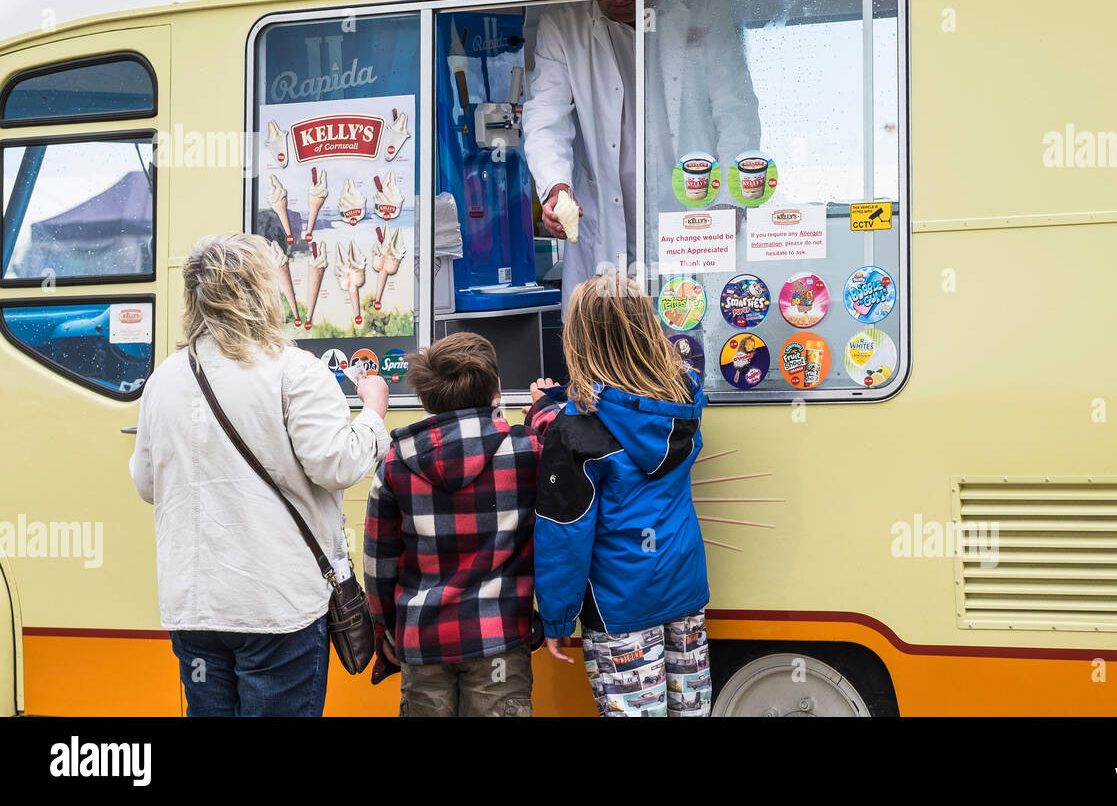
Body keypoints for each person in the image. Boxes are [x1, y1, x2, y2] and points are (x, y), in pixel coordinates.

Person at [130, 232, 391, 717]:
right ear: (259, 291)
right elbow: (337, 464)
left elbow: (147, 484)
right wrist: (373, 413)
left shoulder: (162, 378)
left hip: (195, 609)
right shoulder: (293, 370)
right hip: (276, 606)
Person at [533, 273, 711, 716]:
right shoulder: (681, 399)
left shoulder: (574, 432)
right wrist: (557, 401)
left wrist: (556, 618)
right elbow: (624, 405)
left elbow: (563, 537)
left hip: (619, 604)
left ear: (580, 340)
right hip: (683, 589)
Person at [363, 332, 563, 716]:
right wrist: (546, 408)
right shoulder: (526, 449)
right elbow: (570, 448)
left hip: (423, 643)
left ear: (425, 398)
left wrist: (387, 629)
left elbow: (378, 564)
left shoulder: (395, 462)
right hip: (499, 640)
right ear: (497, 390)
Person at [522, 0, 760, 313]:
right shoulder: (565, 24)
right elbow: (545, 118)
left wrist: (729, 200)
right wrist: (556, 187)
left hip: (688, 222)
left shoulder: (702, 9)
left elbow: (736, 111)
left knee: (691, 344)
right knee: (605, 346)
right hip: (605, 227)